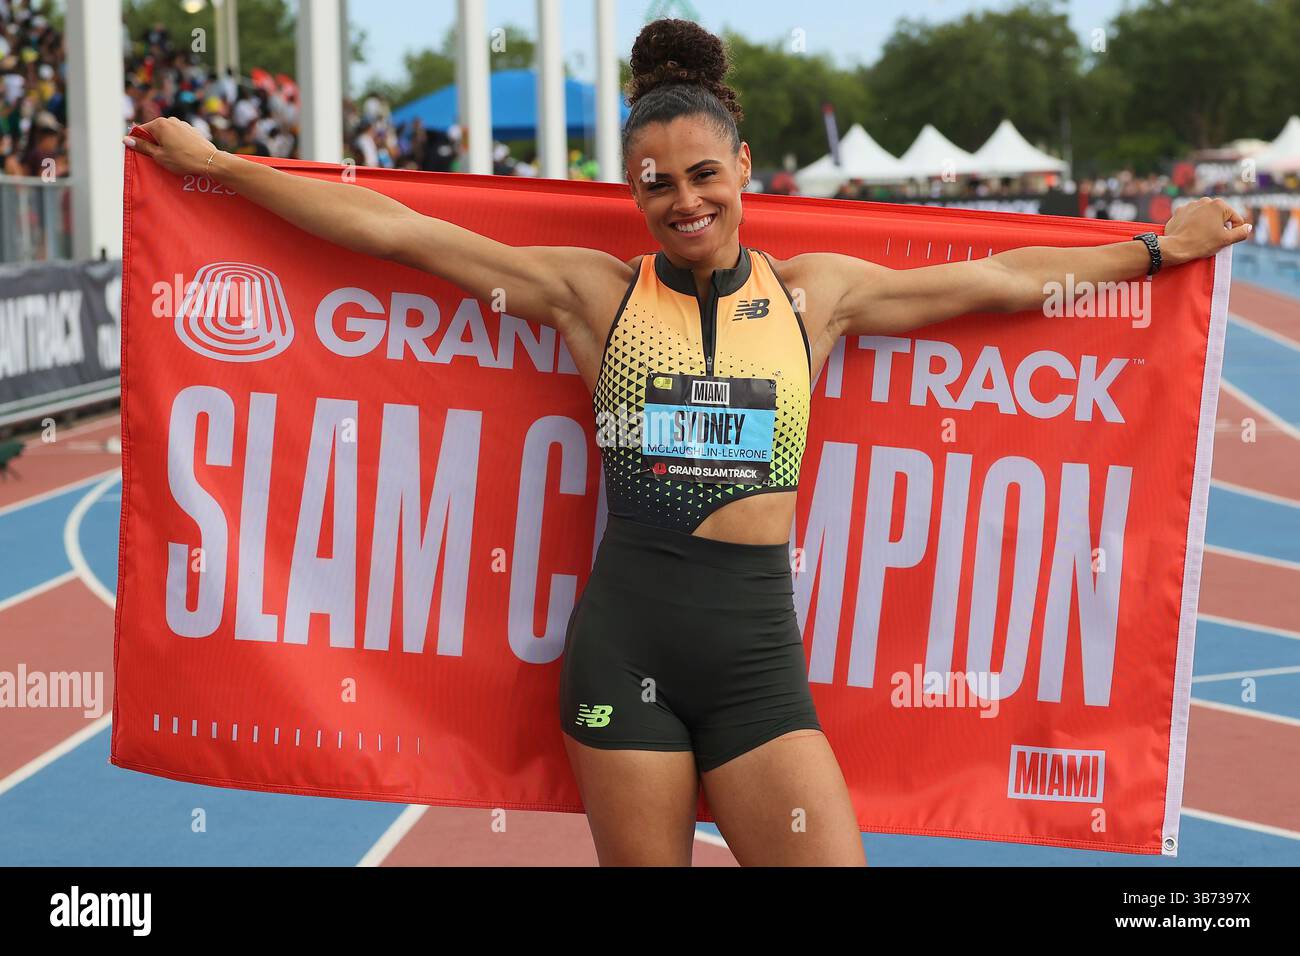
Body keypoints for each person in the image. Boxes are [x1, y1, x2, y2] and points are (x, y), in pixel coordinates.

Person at [122, 17, 1248, 867]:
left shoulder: (821, 299)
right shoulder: (590, 297)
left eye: (703, 174)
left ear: (745, 168)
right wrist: (217, 168)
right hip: (626, 662)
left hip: (758, 668)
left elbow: (1004, 279)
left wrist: (1158, 245)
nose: (682, 199)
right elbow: (396, 232)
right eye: (655, 182)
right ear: (634, 189)